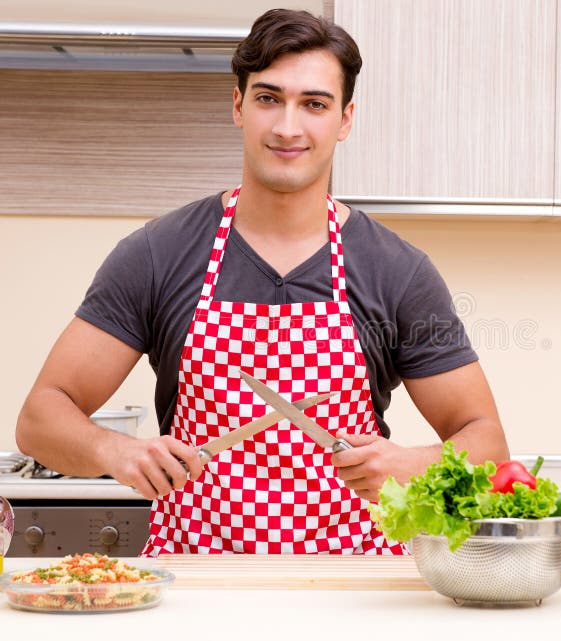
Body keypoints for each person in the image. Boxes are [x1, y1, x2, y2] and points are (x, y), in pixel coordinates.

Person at [15, 8, 509, 555]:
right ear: (238, 106)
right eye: (269, 98)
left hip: (353, 591)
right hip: (196, 586)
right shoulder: (156, 254)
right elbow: (40, 418)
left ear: (345, 120)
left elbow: (486, 441)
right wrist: (116, 452)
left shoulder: (397, 271)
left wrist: (412, 462)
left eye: (314, 104)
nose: (287, 127)